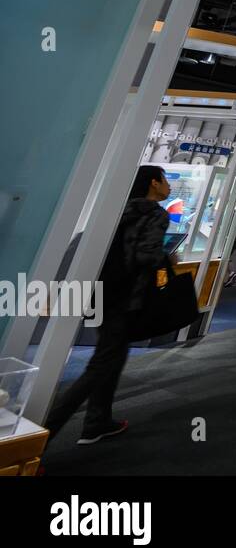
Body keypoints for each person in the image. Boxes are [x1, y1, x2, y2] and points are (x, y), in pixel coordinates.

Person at [45, 165, 172, 445]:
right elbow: (146, 256)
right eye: (165, 180)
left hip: (99, 292)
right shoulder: (154, 214)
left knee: (112, 356)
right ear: (153, 183)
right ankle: (43, 434)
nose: (168, 186)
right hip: (126, 296)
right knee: (102, 364)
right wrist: (166, 261)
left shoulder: (119, 209)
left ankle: (97, 421)